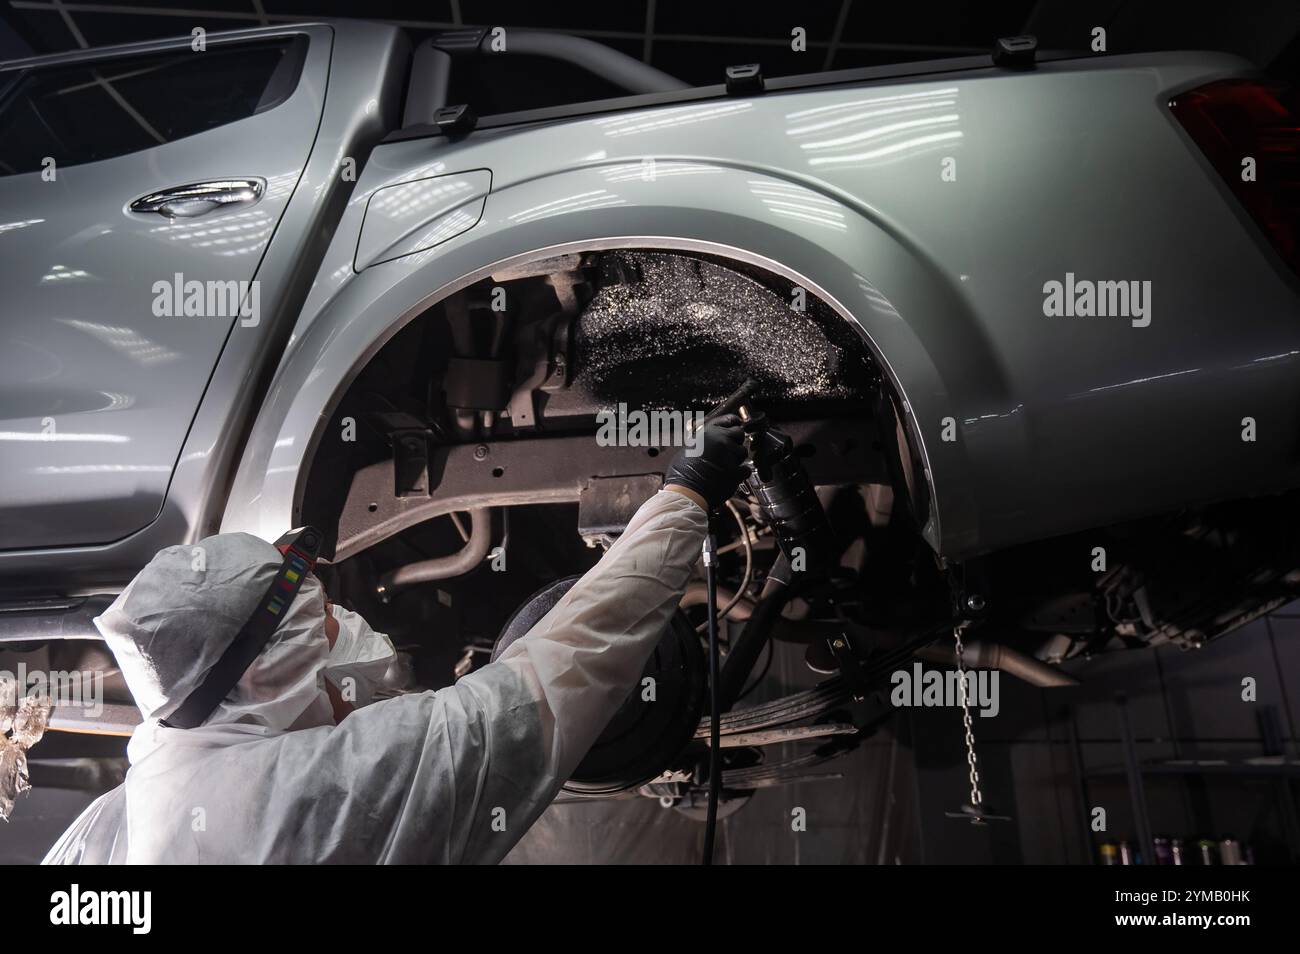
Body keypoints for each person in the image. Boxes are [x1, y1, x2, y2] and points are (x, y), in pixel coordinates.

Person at [43, 416, 748, 864]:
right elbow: (543, 682)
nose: (335, 632)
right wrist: (684, 500)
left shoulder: (124, 815)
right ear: (260, 677)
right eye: (315, 627)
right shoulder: (308, 796)